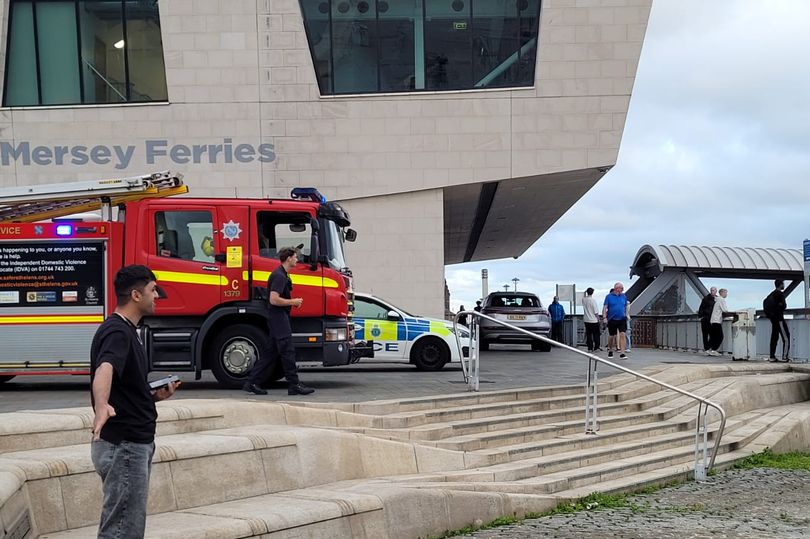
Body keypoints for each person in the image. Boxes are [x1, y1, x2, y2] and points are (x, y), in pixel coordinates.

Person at [90, 265, 180, 538]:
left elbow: (123, 384)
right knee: (122, 529)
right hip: (125, 446)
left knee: (123, 524)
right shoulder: (118, 332)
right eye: (153, 290)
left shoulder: (126, 330)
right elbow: (105, 367)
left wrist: (152, 397)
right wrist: (101, 405)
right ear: (136, 295)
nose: (157, 296)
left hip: (130, 443)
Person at [244, 247, 314, 395]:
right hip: (278, 317)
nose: (297, 259)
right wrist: (293, 302)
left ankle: (251, 382)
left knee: (270, 353)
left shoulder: (281, 274)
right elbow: (273, 299)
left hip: (277, 317)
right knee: (287, 351)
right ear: (288, 258)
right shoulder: (279, 276)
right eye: (295, 257)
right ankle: (294, 385)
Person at [602, 282, 630, 359]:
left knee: (622, 334)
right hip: (612, 319)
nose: (622, 290)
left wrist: (626, 315)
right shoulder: (608, 297)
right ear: (617, 289)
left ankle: (622, 353)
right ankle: (610, 349)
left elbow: (626, 306)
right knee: (612, 336)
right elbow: (605, 307)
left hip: (622, 318)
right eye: (621, 288)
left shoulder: (623, 296)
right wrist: (604, 317)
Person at [764, 279, 790, 362]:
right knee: (786, 337)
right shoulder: (780, 294)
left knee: (774, 337)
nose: (784, 285)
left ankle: (772, 356)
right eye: (783, 284)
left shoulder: (771, 294)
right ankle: (784, 357)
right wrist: (780, 305)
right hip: (779, 319)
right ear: (781, 284)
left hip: (773, 319)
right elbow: (784, 306)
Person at [707, 288, 729, 356]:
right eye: (726, 293)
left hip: (713, 320)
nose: (726, 294)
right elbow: (725, 310)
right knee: (720, 336)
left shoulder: (717, 299)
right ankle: (714, 350)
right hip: (717, 320)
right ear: (722, 293)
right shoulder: (721, 300)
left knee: (713, 336)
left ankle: (709, 349)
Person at [697, 287, 717, 352]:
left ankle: (708, 347)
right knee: (705, 334)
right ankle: (707, 348)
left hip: (713, 319)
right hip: (705, 319)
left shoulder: (717, 299)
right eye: (712, 290)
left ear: (716, 291)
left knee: (713, 334)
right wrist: (701, 316)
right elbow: (701, 308)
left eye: (714, 290)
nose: (712, 291)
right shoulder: (705, 299)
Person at [582, 288, 600, 352]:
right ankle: (596, 347)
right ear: (592, 293)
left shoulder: (584, 300)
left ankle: (590, 348)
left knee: (589, 334)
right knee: (596, 334)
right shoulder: (593, 301)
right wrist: (598, 319)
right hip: (593, 320)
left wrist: (585, 292)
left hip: (586, 320)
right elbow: (596, 312)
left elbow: (584, 296)